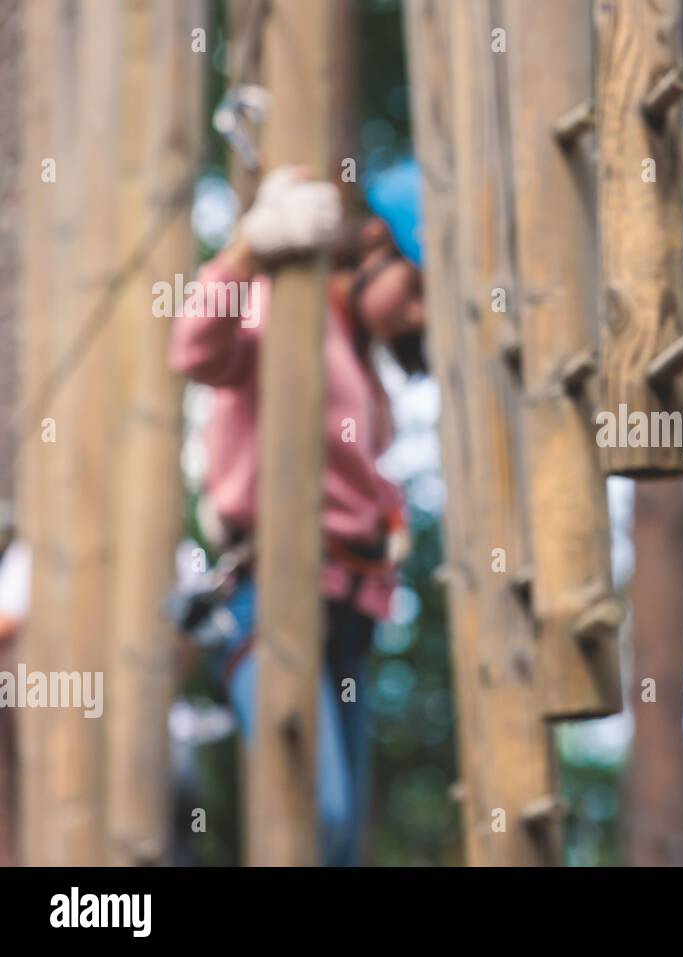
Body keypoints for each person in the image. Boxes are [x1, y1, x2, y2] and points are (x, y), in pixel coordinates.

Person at [169, 168, 425, 866]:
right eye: (416, 285)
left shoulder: (365, 365)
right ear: (374, 244)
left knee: (339, 845)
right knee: (316, 815)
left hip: (347, 617)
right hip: (270, 596)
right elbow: (196, 348)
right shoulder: (293, 309)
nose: (420, 315)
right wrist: (248, 250)